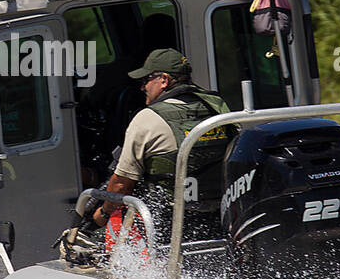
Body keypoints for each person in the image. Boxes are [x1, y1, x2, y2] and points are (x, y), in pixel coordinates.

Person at [88, 48, 232, 250]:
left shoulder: (147, 118)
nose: (142, 88)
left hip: (168, 227)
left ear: (164, 80)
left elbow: (121, 185)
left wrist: (101, 215)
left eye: (146, 80)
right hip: (220, 220)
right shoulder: (218, 107)